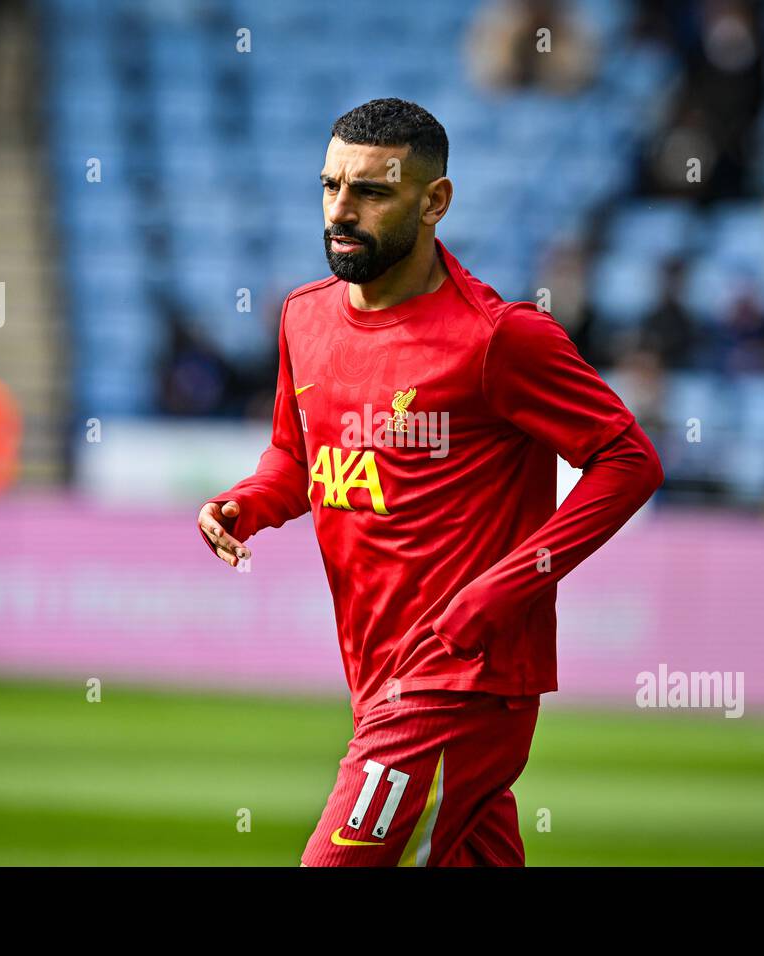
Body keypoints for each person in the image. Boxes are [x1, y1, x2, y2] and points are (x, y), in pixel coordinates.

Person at [196, 99, 663, 867]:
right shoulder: (303, 318)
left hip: (461, 679)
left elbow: (628, 459)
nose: (341, 211)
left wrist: (501, 590)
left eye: (371, 192)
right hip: (377, 671)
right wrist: (248, 504)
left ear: (434, 202)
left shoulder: (499, 339)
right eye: (330, 186)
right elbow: (294, 457)